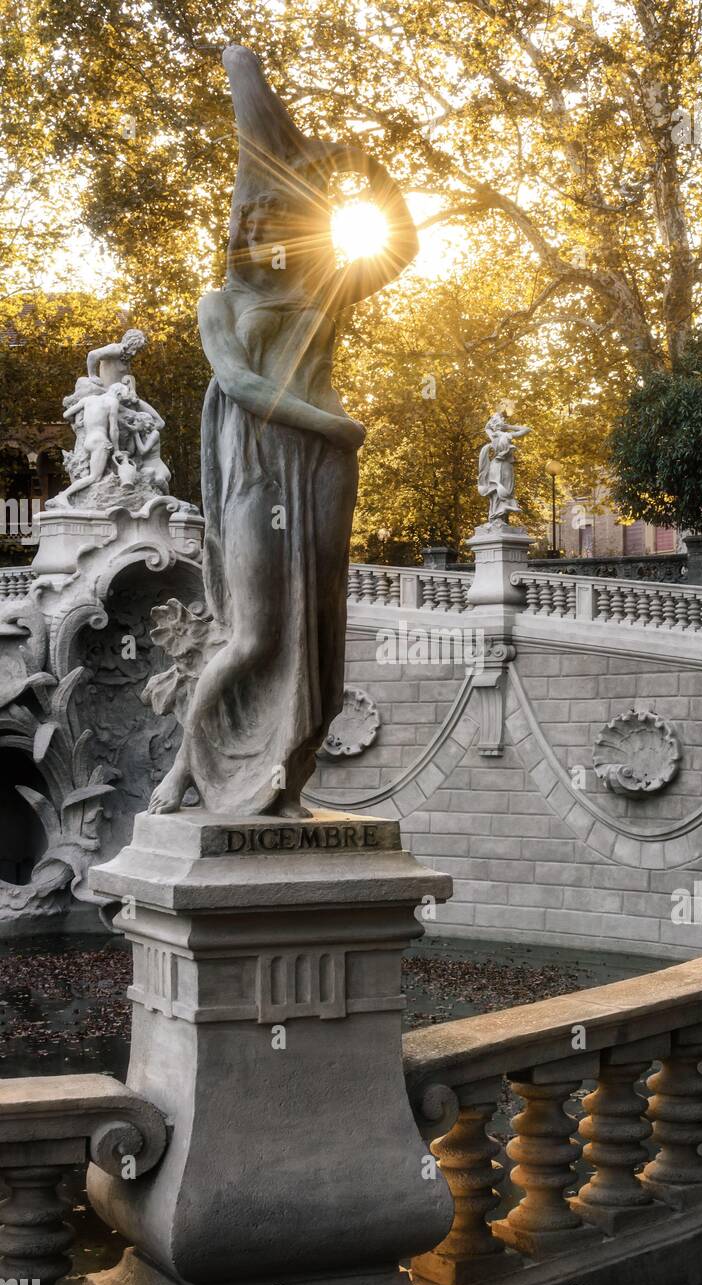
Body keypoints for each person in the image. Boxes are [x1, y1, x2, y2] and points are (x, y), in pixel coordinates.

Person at [148, 45, 418, 817]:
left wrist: (373, 178)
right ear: (237, 230)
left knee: (320, 633)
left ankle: (283, 780)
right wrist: (336, 426)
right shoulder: (219, 304)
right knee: (257, 634)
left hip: (326, 467)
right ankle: (187, 770)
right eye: (253, 220)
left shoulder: (325, 292)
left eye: (281, 222)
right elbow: (239, 384)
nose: (267, 231)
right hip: (260, 467)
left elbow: (399, 249)